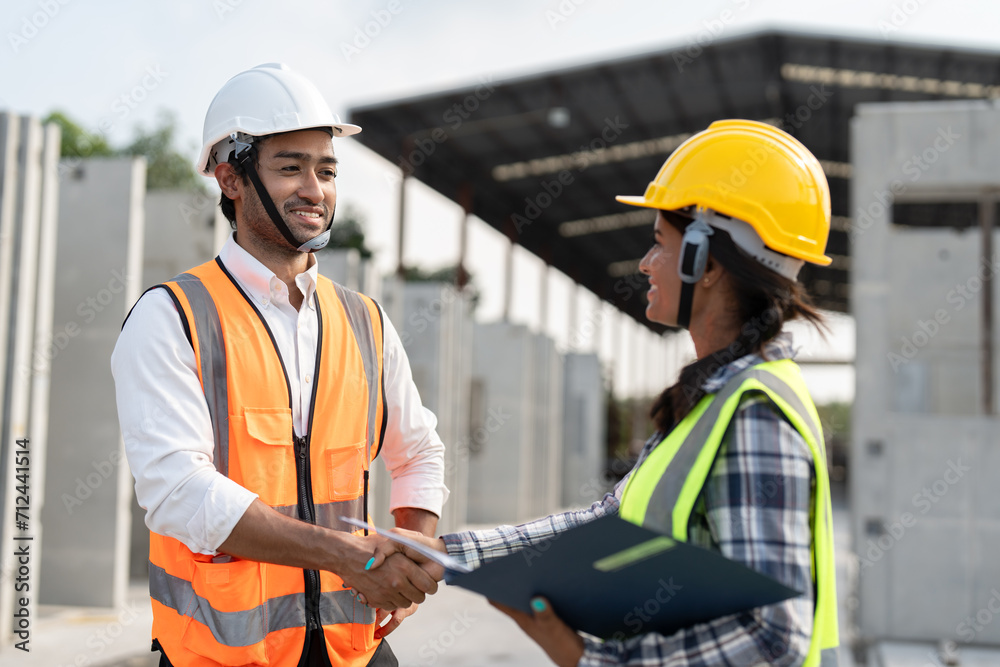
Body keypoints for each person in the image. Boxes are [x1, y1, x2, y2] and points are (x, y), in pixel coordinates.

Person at [372, 119, 839, 666]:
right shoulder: (711, 402)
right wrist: (450, 554)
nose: (644, 263)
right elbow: (608, 520)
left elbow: (772, 636)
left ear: (705, 262)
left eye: (659, 244)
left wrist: (591, 662)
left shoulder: (754, 413)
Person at [111, 63, 449, 667]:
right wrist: (345, 556)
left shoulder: (365, 320)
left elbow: (418, 449)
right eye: (290, 167)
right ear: (230, 177)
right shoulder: (172, 317)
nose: (315, 189)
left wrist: (413, 551)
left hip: (355, 650)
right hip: (220, 656)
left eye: (326, 169)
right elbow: (179, 493)